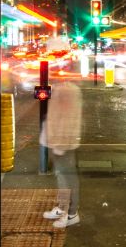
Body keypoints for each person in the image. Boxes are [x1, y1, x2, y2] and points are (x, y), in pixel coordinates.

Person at [40, 72, 84, 228]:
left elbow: (66, 119)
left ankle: (72, 214)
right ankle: (62, 208)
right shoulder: (63, 88)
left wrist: (59, 144)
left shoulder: (67, 90)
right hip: (58, 142)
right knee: (62, 177)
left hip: (63, 143)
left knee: (68, 179)